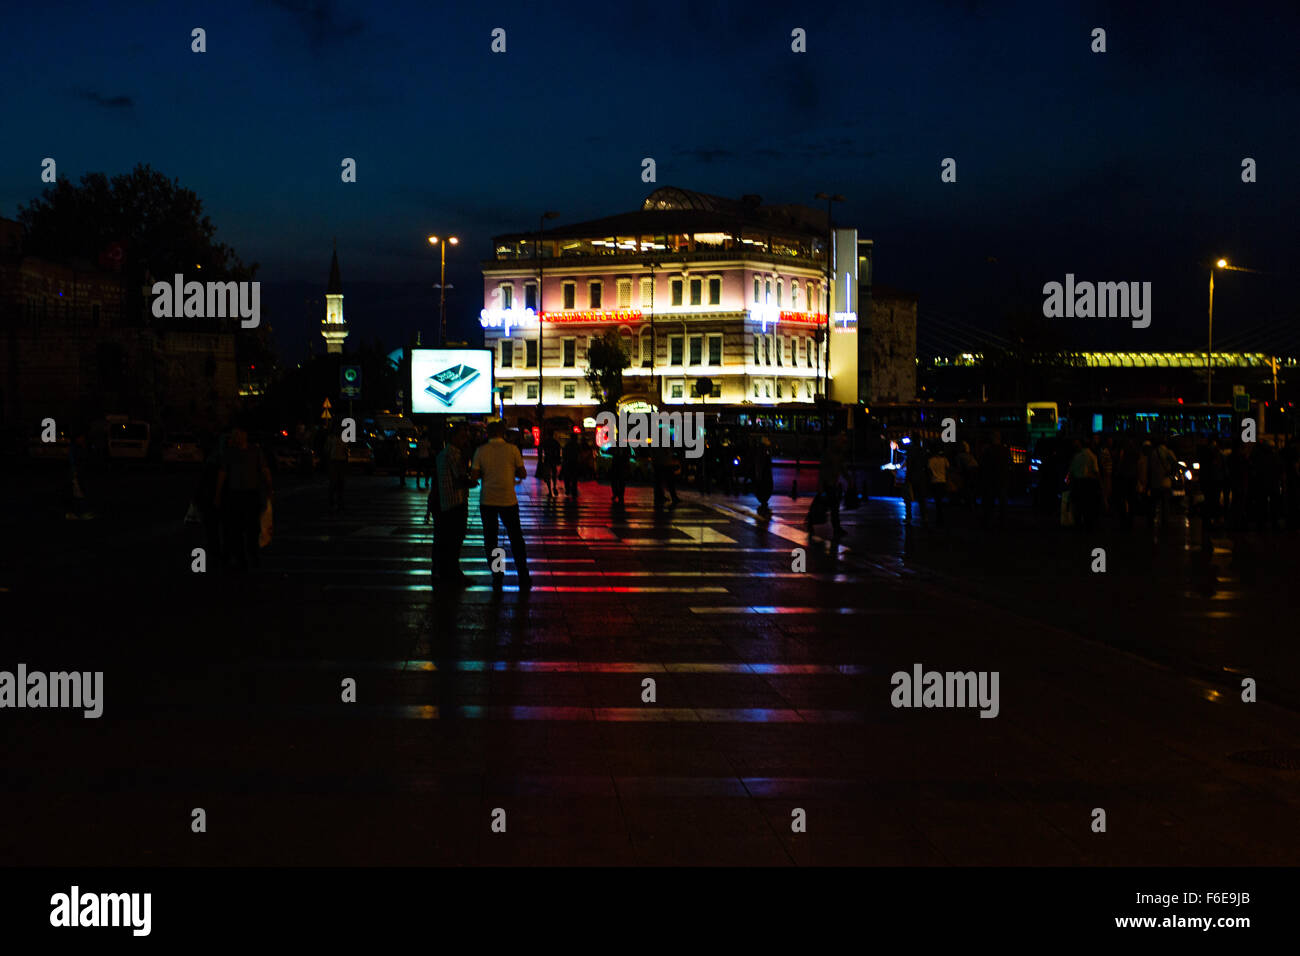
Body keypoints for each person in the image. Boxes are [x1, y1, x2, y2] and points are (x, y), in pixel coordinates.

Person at [471, 420, 531, 591]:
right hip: (508, 500)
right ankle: (523, 574)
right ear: (503, 433)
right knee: (515, 538)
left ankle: (498, 574)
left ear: (487, 434)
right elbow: (523, 473)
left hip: (488, 500)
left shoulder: (480, 451)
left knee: (492, 539)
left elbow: (474, 475)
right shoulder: (512, 449)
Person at [215, 422, 272, 571]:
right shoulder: (229, 452)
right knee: (237, 529)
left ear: (245, 435)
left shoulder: (255, 451)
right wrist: (218, 494)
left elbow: (265, 470)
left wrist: (269, 489)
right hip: (235, 494)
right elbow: (223, 474)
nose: (236, 437)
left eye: (238, 434)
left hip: (251, 494)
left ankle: (253, 556)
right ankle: (242, 559)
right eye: (234, 434)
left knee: (252, 529)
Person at [427, 424, 474, 589]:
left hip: (443, 504)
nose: (465, 440)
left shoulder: (442, 453)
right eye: (462, 437)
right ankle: (452, 573)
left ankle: (440, 571)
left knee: (442, 539)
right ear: (453, 438)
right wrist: (474, 480)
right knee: (454, 540)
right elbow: (461, 478)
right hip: (454, 503)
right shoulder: (453, 454)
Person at [805, 432, 847, 535]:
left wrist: (848, 478)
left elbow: (841, 468)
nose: (843, 444)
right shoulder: (829, 454)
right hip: (827, 484)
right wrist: (821, 487)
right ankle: (835, 528)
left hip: (832, 484)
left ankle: (811, 521)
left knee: (828, 506)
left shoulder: (838, 454)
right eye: (841, 441)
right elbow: (823, 471)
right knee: (830, 507)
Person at [979, 431, 1009, 526]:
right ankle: (1002, 520)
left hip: (990, 479)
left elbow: (983, 465)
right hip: (1002, 479)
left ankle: (989, 520)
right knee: (1002, 502)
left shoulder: (987, 450)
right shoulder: (1005, 450)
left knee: (989, 502)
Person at [66, 431, 94, 520]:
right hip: (76, 473)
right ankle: (78, 513)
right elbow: (74, 460)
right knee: (78, 493)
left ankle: (78, 512)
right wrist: (75, 471)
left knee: (79, 492)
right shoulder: (75, 448)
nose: (83, 439)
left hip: (79, 472)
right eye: (81, 437)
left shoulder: (79, 447)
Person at [924, 445, 950, 528]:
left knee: (937, 500)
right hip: (943, 480)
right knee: (941, 500)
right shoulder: (944, 460)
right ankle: (941, 517)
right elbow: (948, 468)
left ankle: (939, 517)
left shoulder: (931, 460)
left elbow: (928, 471)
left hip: (934, 481)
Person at [326, 424, 348, 512]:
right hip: (334, 461)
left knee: (341, 483)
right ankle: (332, 501)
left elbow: (345, 451)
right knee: (333, 483)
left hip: (341, 462)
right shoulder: (331, 438)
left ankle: (340, 503)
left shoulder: (343, 438)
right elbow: (327, 450)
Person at [652, 442, 680, 507]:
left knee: (659, 481)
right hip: (664, 463)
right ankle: (671, 497)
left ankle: (660, 496)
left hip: (660, 462)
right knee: (669, 481)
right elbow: (666, 452)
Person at [753, 436, 774, 516]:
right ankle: (763, 498)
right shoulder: (764, 450)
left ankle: (763, 499)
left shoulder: (762, 450)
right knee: (765, 486)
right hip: (765, 473)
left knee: (763, 486)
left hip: (764, 473)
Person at [540, 431, 561, 498]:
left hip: (547, 459)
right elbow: (558, 451)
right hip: (554, 460)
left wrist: (540, 459)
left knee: (547, 475)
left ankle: (549, 490)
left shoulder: (545, 442)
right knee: (554, 474)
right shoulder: (556, 442)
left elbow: (540, 449)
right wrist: (558, 460)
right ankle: (554, 486)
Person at [561, 432, 581, 500]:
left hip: (567, 463)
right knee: (574, 478)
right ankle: (573, 491)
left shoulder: (567, 445)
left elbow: (564, 455)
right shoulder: (577, 445)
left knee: (567, 478)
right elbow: (579, 454)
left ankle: (567, 490)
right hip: (575, 463)